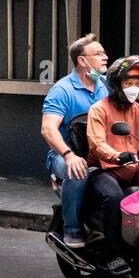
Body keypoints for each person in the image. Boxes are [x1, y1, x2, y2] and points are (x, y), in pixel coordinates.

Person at [84, 56, 139, 276]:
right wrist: (117, 156)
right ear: (116, 84)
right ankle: (112, 254)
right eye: (129, 83)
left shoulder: (138, 110)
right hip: (104, 170)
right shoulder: (99, 110)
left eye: (137, 84)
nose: (134, 88)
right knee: (113, 197)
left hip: (134, 167)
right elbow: (96, 143)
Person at [40, 34, 109, 248]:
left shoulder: (104, 85)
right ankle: (72, 229)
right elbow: (48, 129)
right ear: (82, 61)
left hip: (99, 151)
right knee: (78, 172)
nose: (105, 57)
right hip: (65, 154)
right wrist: (69, 156)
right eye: (98, 54)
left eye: (104, 52)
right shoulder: (63, 90)